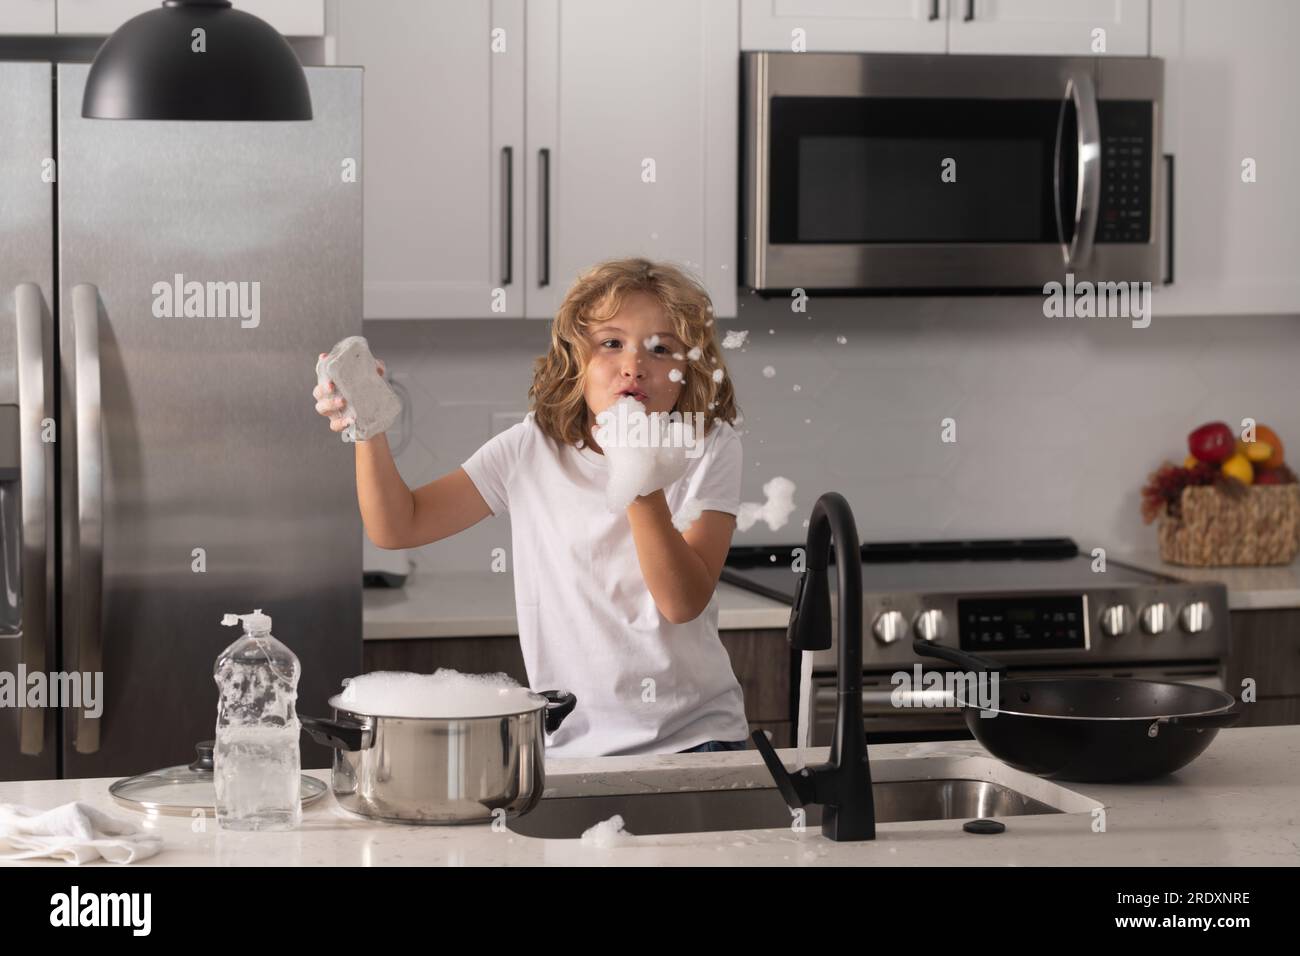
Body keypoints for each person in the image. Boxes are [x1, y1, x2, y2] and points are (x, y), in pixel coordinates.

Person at [313, 257, 749, 757]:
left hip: (696, 740)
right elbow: (398, 526)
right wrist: (366, 426)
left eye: (661, 348)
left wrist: (638, 473)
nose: (633, 364)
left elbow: (682, 601)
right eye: (611, 343)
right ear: (576, 359)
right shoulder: (531, 449)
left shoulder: (709, 446)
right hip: (569, 745)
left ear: (687, 367)